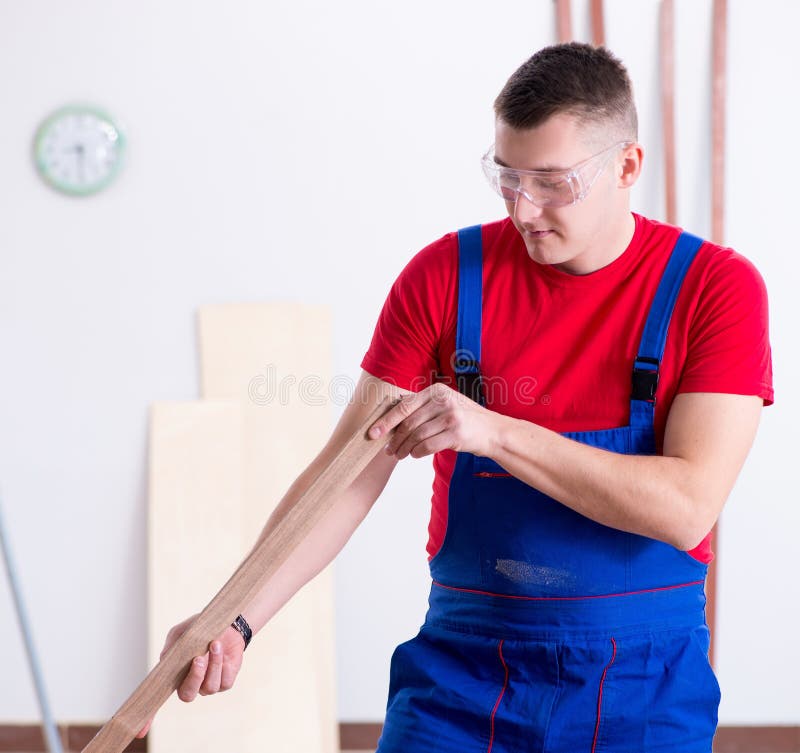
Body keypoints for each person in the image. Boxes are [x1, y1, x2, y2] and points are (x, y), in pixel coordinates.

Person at [139, 42, 773, 752]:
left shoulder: (715, 289)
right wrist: (233, 617)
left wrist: (495, 432)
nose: (524, 208)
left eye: (552, 182)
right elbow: (347, 473)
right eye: (507, 177)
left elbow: (685, 506)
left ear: (627, 166)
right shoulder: (444, 276)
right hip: (465, 675)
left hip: (643, 683)